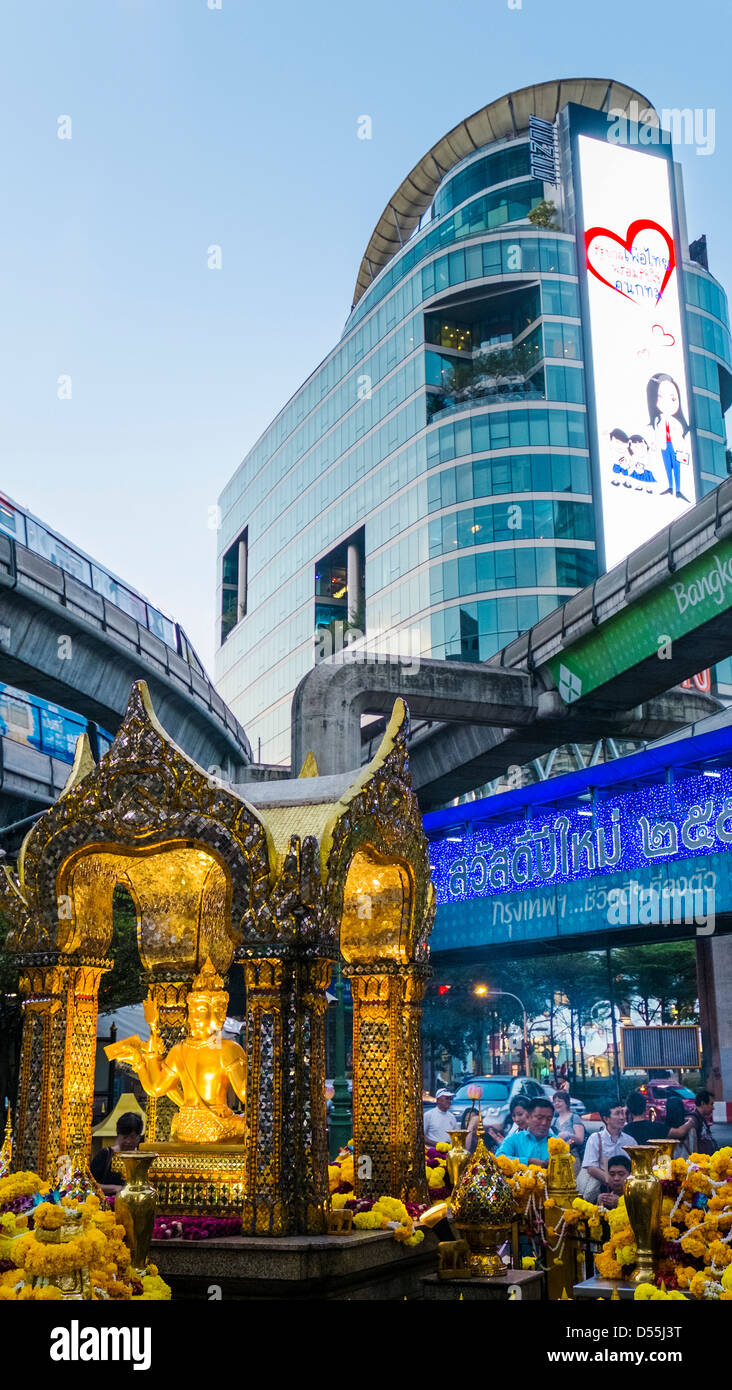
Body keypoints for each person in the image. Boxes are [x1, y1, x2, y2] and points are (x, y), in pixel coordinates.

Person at [647, 373, 691, 502]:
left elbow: (681, 435)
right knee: (667, 465)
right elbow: (656, 433)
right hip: (663, 445)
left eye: (673, 398)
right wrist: (654, 444)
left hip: (675, 446)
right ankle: (670, 486)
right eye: (660, 397)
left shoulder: (676, 421)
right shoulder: (657, 420)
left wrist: (683, 448)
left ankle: (678, 490)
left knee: (676, 467)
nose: (667, 403)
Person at [579, 1102, 636, 1200]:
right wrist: (611, 1180)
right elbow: (591, 1168)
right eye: (617, 1114)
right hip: (602, 1190)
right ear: (606, 1119)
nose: (622, 1117)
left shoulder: (630, 1141)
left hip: (626, 1191)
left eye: (623, 1113)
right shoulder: (595, 1138)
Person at [90, 1112, 144, 1194]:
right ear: (118, 1135)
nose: (128, 1141)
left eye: (132, 1137)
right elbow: (89, 1183)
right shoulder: (105, 1155)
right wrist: (115, 1188)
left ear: (139, 1137)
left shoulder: (142, 1159)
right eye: (125, 1137)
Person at [496, 1097, 554, 1167]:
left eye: (549, 1119)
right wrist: (527, 1161)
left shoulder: (557, 1142)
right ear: (528, 1117)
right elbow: (498, 1159)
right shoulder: (513, 1139)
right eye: (539, 1118)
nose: (544, 1123)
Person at [552, 1090, 585, 1167]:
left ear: (566, 1103)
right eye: (555, 1102)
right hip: (557, 1158)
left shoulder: (574, 1117)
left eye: (559, 1101)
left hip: (572, 1157)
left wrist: (569, 1135)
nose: (556, 1104)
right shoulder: (554, 1121)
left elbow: (580, 1139)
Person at [689, 1090, 716, 1156]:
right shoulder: (693, 1120)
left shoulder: (701, 1119)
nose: (713, 1108)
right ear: (703, 1103)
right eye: (711, 1104)